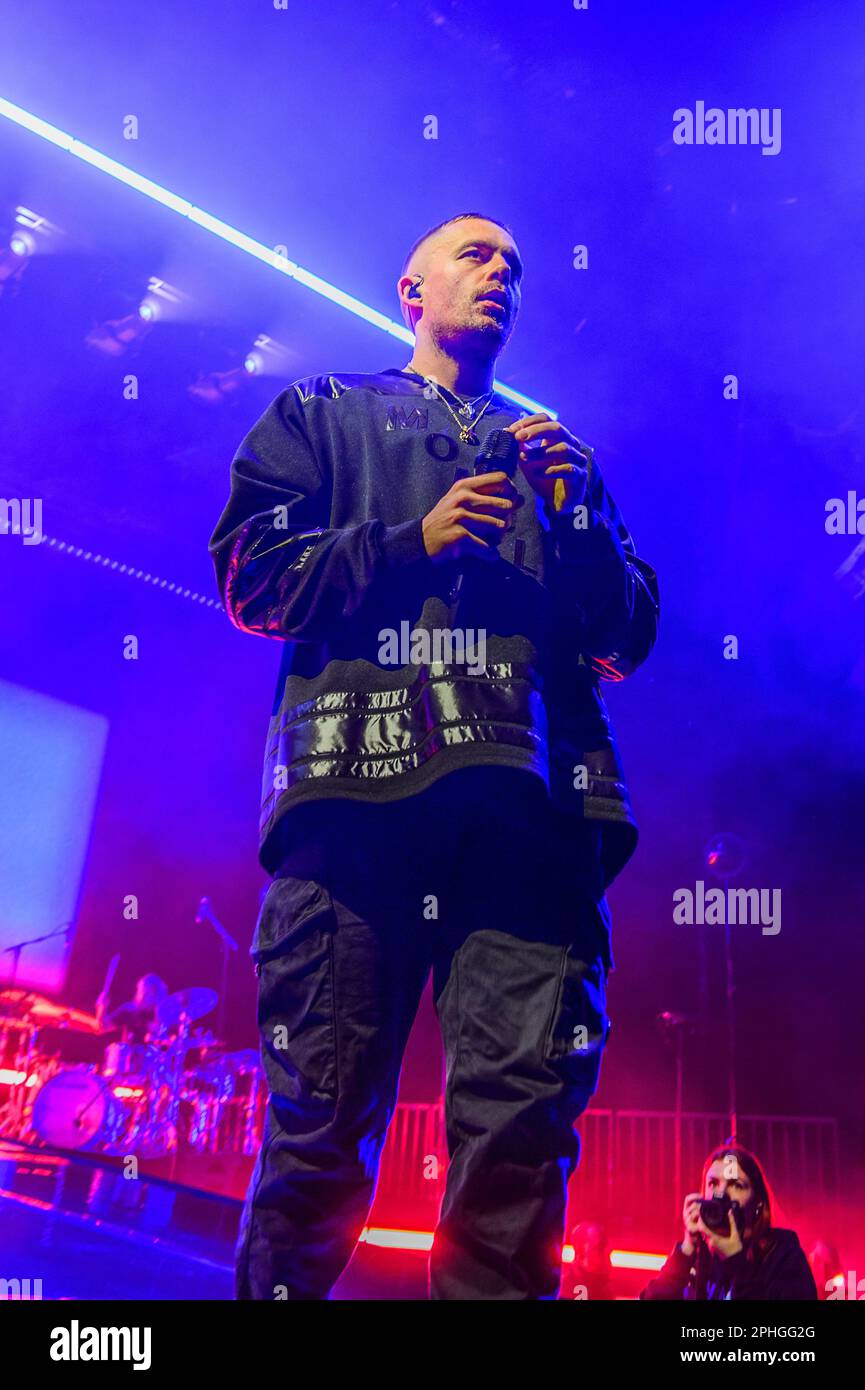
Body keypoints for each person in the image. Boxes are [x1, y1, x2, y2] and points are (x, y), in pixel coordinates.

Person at [209, 211, 659, 1300]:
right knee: (319, 1127)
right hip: (356, 804)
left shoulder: (560, 458)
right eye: (475, 254)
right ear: (412, 289)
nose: (500, 272)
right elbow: (249, 579)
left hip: (534, 823)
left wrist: (585, 522)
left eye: (515, 262)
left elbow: (627, 638)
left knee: (518, 1136)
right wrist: (409, 542)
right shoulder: (327, 413)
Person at [640, 1144, 817, 1300]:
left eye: (736, 1185)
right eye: (713, 1184)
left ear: (758, 1202)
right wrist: (686, 1251)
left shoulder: (783, 1257)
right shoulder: (701, 1256)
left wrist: (736, 1264)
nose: (721, 1195)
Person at [559, 1219, 613, 1300]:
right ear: (580, 1250)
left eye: (606, 1247)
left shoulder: (604, 1289)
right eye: (600, 1247)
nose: (607, 1252)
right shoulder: (566, 1288)